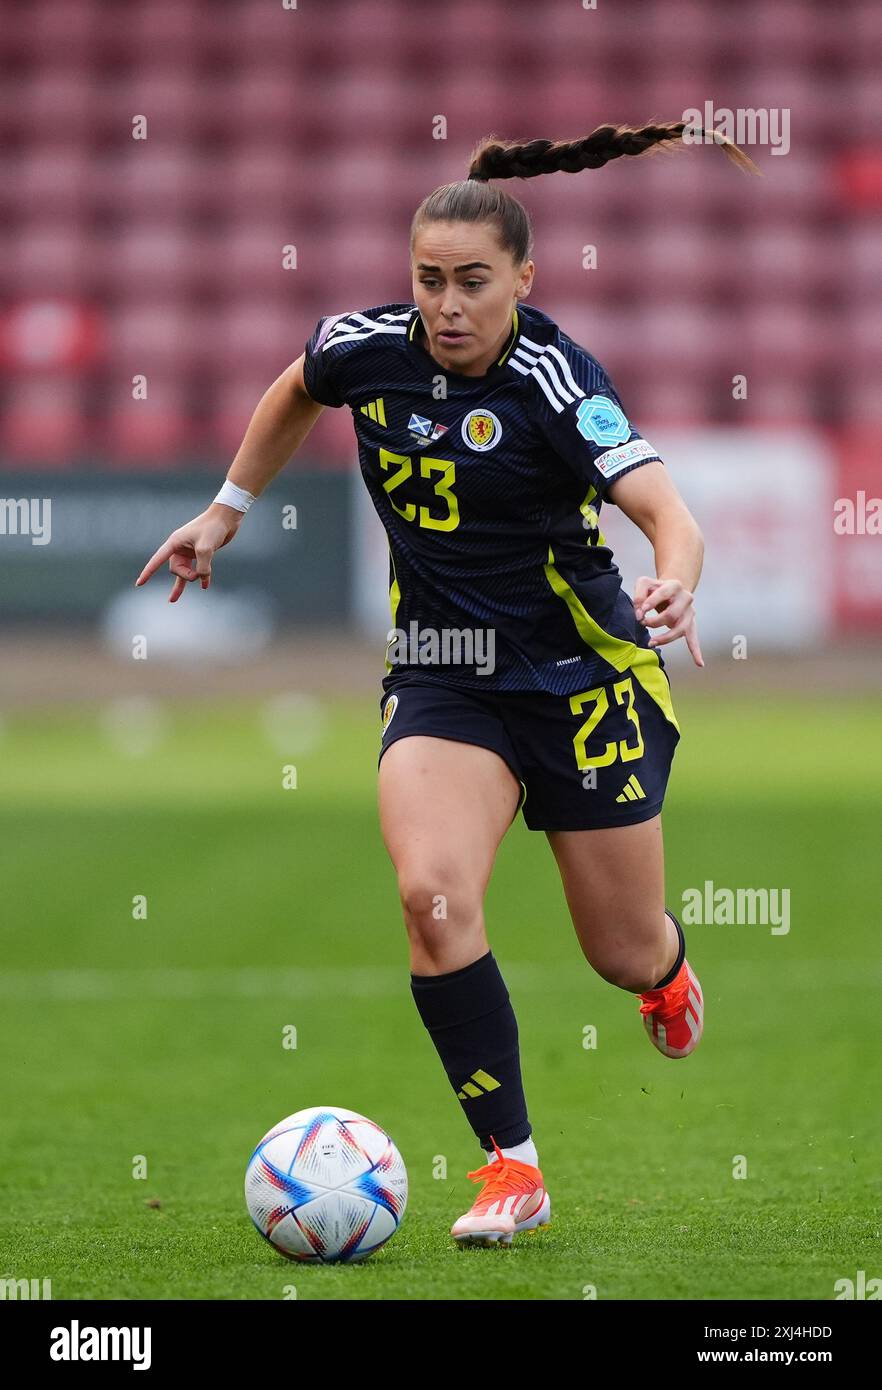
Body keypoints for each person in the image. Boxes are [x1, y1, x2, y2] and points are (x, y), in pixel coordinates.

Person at [137, 122, 758, 1248]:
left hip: (581, 681)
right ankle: (509, 1165)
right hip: (442, 677)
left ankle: (666, 973)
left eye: (473, 281)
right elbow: (296, 385)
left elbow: (668, 510)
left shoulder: (558, 379)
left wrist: (673, 585)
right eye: (428, 280)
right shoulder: (364, 347)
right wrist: (226, 506)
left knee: (617, 948)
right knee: (432, 896)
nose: (447, 305)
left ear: (524, 277)